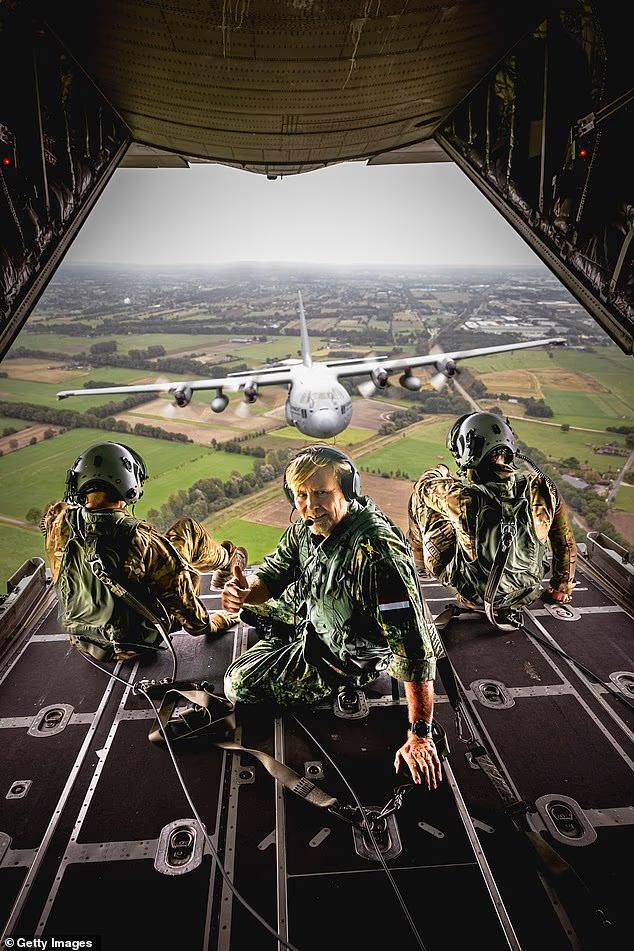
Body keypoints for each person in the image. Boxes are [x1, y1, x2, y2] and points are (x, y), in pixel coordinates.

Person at [222, 445, 445, 789]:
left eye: (322, 493)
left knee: (238, 684)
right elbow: (275, 573)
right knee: (252, 604)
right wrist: (246, 590)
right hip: (319, 608)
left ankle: (288, 644)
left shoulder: (377, 557)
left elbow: (413, 650)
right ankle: (287, 637)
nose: (311, 505)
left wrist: (419, 735)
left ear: (348, 490)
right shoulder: (307, 528)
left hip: (344, 656)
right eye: (301, 495)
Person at [41, 441, 247, 662]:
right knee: (187, 530)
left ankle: (226, 562)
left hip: (82, 640)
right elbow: (191, 618)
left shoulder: (58, 520)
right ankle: (228, 561)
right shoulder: (144, 541)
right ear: (129, 484)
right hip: (135, 643)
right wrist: (216, 621)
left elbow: (62, 510)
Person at [408, 412, 577, 625]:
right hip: (526, 593)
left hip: (473, 596)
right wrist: (561, 589)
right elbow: (566, 543)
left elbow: (424, 486)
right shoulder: (543, 489)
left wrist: (440, 470)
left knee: (421, 501)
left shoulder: (461, 497)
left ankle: (419, 563)